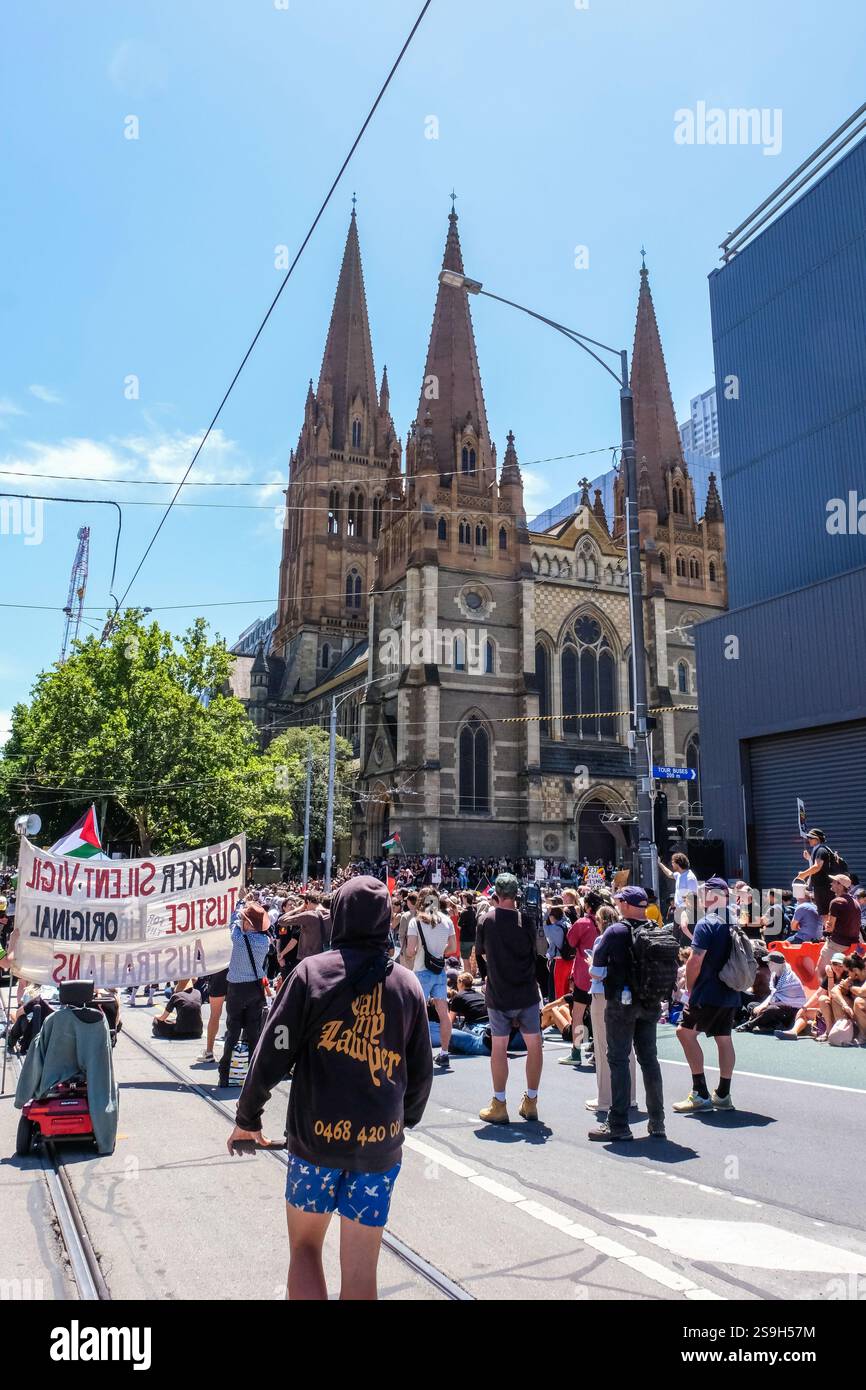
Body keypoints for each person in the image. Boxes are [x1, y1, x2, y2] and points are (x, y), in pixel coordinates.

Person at [226, 874, 433, 1301]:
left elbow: (271, 1053)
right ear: (384, 919)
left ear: (338, 915)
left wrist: (248, 1118)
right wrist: (402, 1121)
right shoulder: (407, 985)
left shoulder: (310, 975)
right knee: (361, 1276)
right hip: (377, 1146)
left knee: (304, 1250)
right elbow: (421, 1072)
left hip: (315, 1140)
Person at [589, 886, 666, 1143]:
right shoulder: (656, 929)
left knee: (619, 1060)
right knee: (649, 1061)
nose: (618, 904)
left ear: (625, 904)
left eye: (620, 900)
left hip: (621, 1004)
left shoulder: (616, 931)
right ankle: (657, 1122)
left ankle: (619, 1123)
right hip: (651, 1002)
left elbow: (596, 969)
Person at [475, 873, 545, 1124]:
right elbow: (541, 953)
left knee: (499, 1047)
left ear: (497, 895)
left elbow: (479, 954)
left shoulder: (486, 920)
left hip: (499, 992)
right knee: (534, 1045)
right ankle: (531, 1101)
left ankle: (499, 1103)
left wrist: (488, 975)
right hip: (526, 991)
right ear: (516, 895)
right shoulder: (527, 919)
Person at [673, 879, 739, 1113]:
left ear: (711, 895)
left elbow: (695, 960)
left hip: (707, 990)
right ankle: (723, 1094)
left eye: (702, 893)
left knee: (684, 1033)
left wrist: (690, 990)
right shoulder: (733, 921)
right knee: (724, 1038)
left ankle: (700, 1092)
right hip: (731, 988)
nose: (699, 897)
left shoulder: (707, 922)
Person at [585, 904, 637, 1115]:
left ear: (601, 921)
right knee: (627, 1047)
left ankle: (606, 1098)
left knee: (603, 1046)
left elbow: (597, 972)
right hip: (626, 995)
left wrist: (590, 964)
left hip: (603, 994)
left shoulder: (603, 939)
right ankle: (630, 1096)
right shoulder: (629, 936)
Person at [218, 894, 272, 1088]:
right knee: (253, 1032)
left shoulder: (238, 938)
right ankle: (251, 1073)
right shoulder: (264, 943)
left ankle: (225, 1073)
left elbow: (232, 920)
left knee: (232, 1031)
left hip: (236, 989)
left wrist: (239, 902)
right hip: (255, 989)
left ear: (248, 924)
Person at [404, 896, 457, 1070]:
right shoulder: (447, 920)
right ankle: (444, 1052)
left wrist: (416, 951)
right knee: (443, 1012)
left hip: (421, 969)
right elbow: (452, 948)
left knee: (419, 1013)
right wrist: (438, 952)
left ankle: (420, 1053)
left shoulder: (415, 922)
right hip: (439, 969)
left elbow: (410, 951)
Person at [560, 892, 600, 1065]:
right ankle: (598, 1051)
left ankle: (576, 1053)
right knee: (599, 1017)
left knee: (577, 1015)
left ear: (587, 906)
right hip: (602, 977)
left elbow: (570, 941)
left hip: (584, 976)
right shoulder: (608, 921)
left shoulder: (583, 923)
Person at [737, 951, 807, 1032]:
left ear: (777, 964)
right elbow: (773, 995)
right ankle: (770, 1024)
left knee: (770, 1010)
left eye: (770, 963)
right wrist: (761, 1006)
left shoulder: (790, 979)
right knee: (752, 1005)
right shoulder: (775, 975)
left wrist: (765, 1007)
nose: (768, 964)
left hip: (791, 1011)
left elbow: (788, 1002)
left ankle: (750, 1025)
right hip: (777, 1006)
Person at [818, 874, 862, 973]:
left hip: (837, 943)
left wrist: (826, 926)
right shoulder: (856, 902)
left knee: (820, 971)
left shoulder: (836, 902)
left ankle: (827, 988)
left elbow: (830, 928)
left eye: (834, 881)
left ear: (840, 885)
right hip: (853, 944)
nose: (831, 883)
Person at [795, 829, 836, 921]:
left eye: (810, 838)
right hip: (825, 887)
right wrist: (810, 858)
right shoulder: (823, 849)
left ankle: (828, 934)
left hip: (823, 888)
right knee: (826, 912)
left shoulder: (820, 850)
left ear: (817, 839)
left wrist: (803, 875)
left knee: (825, 913)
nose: (808, 840)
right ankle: (828, 933)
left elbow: (817, 867)